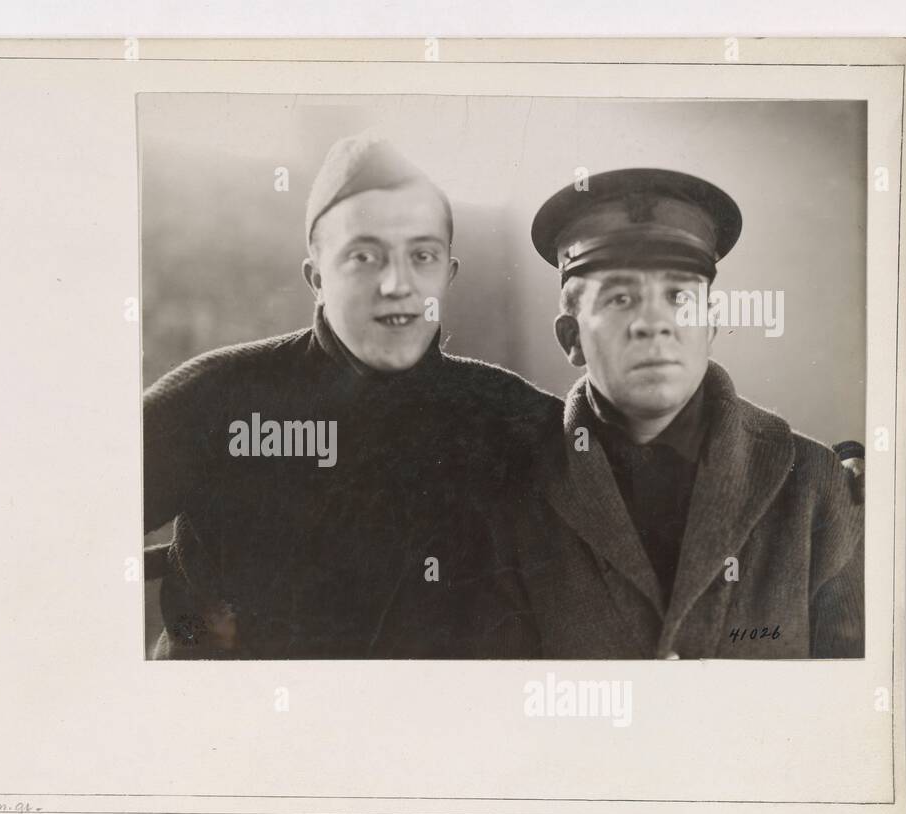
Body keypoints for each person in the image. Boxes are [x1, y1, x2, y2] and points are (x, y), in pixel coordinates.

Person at [143, 133, 559, 659]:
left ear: (448, 276)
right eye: (364, 257)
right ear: (316, 278)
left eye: (423, 255)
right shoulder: (216, 399)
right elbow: (67, 524)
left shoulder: (518, 420)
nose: (396, 285)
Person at [495, 167, 864, 659]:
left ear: (710, 324)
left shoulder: (815, 486)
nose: (654, 324)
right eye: (620, 298)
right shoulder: (511, 496)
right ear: (572, 339)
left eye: (679, 297)